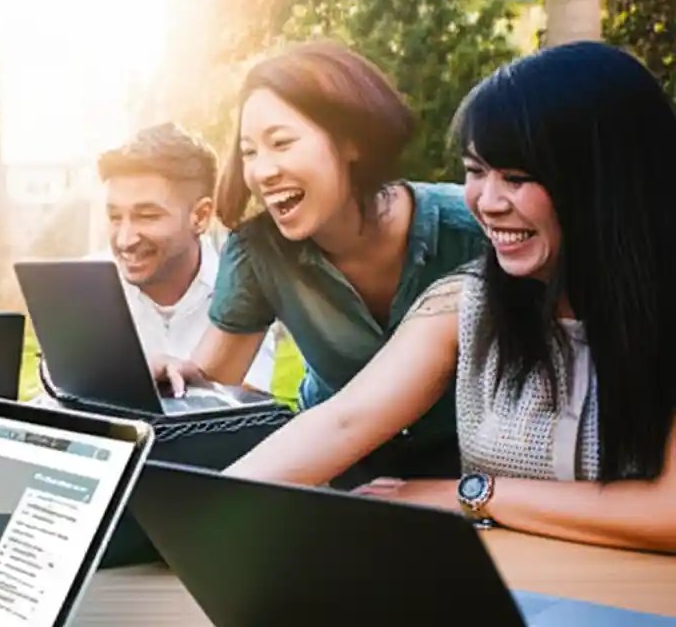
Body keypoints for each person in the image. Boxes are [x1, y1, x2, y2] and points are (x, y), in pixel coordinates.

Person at [226, 41, 676, 553]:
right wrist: (204, 514)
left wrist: (474, 495)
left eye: (518, 178)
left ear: (606, 181)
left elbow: (669, 512)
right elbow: (342, 420)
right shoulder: (467, 303)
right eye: (475, 171)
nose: (486, 202)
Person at [156, 41, 488, 482]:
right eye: (250, 151)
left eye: (281, 143)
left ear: (351, 141)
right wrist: (178, 374)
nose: (262, 171)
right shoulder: (260, 252)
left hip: (468, 478)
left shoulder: (473, 230)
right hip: (335, 473)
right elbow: (215, 382)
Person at [95, 122, 277, 392]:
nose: (125, 240)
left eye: (147, 216)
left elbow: (245, 408)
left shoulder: (243, 294)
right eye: (114, 217)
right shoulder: (87, 285)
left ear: (201, 216)